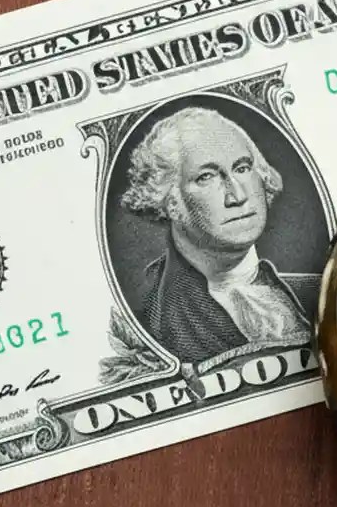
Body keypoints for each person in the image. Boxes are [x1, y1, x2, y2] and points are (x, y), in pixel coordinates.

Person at [120, 106, 316, 367]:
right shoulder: (152, 329)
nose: (237, 195)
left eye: (243, 168)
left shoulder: (317, 290)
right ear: (169, 200)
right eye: (206, 177)